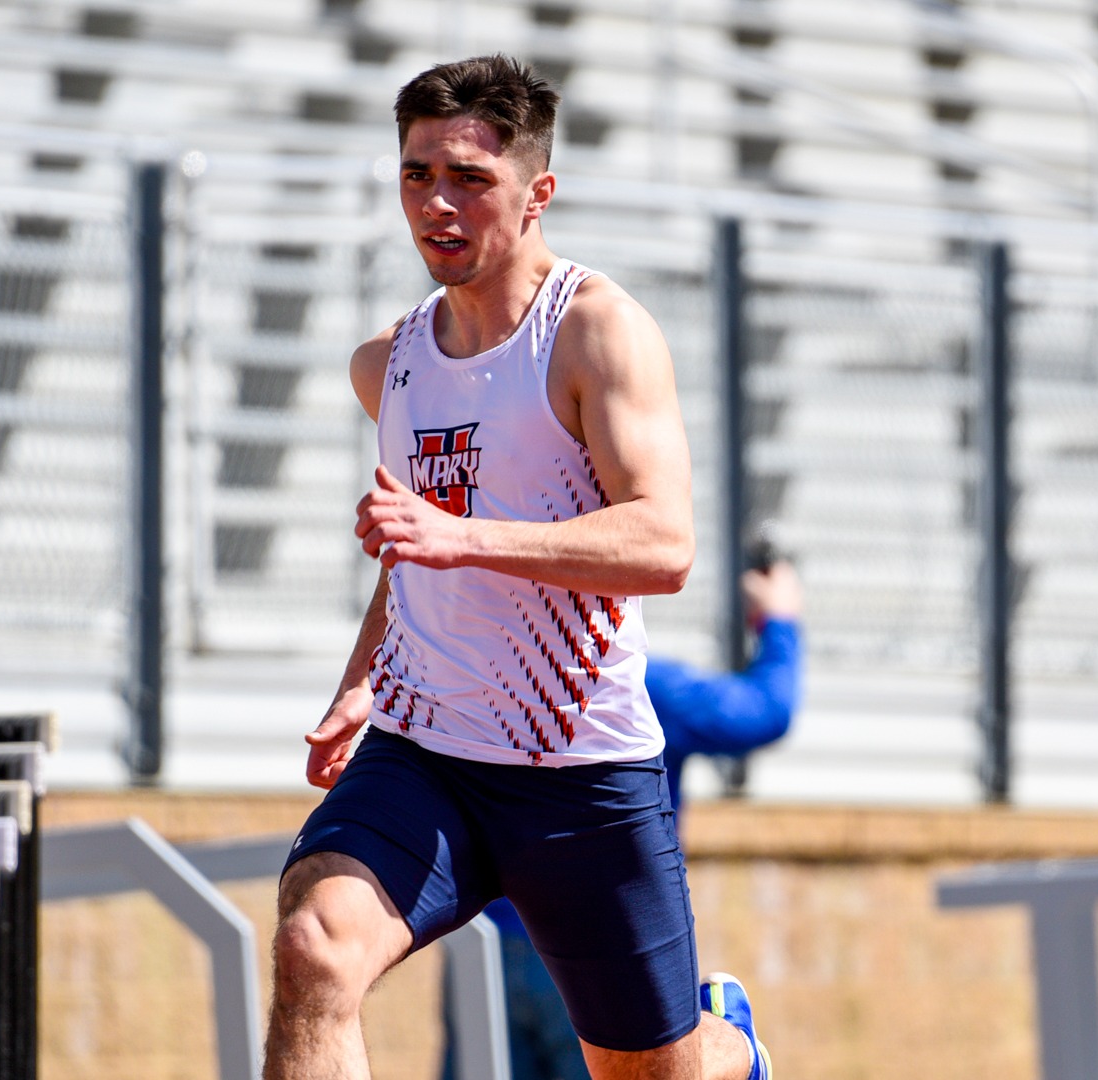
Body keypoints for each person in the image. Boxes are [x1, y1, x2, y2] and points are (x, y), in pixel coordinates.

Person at [267, 56, 770, 1080]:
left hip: (579, 773)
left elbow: (663, 543)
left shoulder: (595, 333)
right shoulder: (388, 365)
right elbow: (411, 547)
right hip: (428, 754)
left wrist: (466, 536)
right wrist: (363, 678)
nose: (437, 205)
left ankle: (729, 1047)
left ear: (538, 193)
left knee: (649, 1072)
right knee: (314, 945)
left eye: (469, 179)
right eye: (417, 176)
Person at [445, 558, 804, 1080]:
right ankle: (739, 1052)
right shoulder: (639, 686)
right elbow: (767, 710)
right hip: (593, 945)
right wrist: (779, 619)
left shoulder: (478, 675)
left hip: (484, 937)